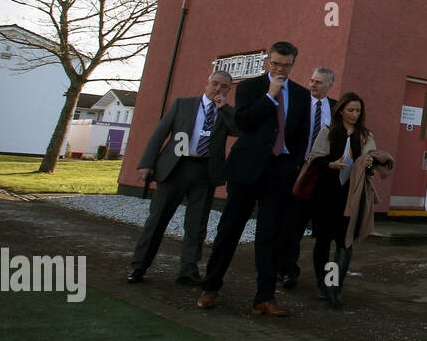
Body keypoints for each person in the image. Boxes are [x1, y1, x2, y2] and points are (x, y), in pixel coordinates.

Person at [197, 41, 310, 316]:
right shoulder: (250, 87)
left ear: (293, 64)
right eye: (275, 64)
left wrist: (293, 166)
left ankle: (265, 297)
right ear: (268, 62)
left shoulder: (301, 95)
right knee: (229, 231)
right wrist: (270, 97)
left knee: (270, 236)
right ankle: (210, 287)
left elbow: (300, 136)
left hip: (279, 173)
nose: (280, 69)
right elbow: (243, 123)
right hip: (246, 170)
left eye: (285, 65)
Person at [127, 70, 237, 284]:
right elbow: (160, 134)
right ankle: (139, 266)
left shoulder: (226, 113)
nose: (218, 89)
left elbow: (238, 131)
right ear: (207, 83)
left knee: (196, 225)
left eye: (224, 86)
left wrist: (224, 108)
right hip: (176, 167)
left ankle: (188, 270)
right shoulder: (183, 105)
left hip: (205, 172)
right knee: (157, 220)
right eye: (215, 84)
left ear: (229, 90)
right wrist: (146, 165)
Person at [306, 91, 374, 307]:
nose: (354, 114)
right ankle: (322, 283)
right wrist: (330, 164)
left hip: (350, 197)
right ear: (341, 111)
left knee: (345, 242)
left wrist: (369, 164)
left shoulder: (364, 136)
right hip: (327, 194)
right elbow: (315, 159)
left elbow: (371, 161)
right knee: (323, 241)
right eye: (351, 110)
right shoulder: (329, 132)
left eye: (358, 111)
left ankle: (334, 286)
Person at [278, 65, 337, 289]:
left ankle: (324, 279)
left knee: (323, 232)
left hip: (324, 177)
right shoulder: (299, 104)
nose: (313, 84)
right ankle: (287, 271)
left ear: (329, 85)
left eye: (319, 82)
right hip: (299, 173)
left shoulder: (336, 108)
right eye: (312, 80)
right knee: (293, 226)